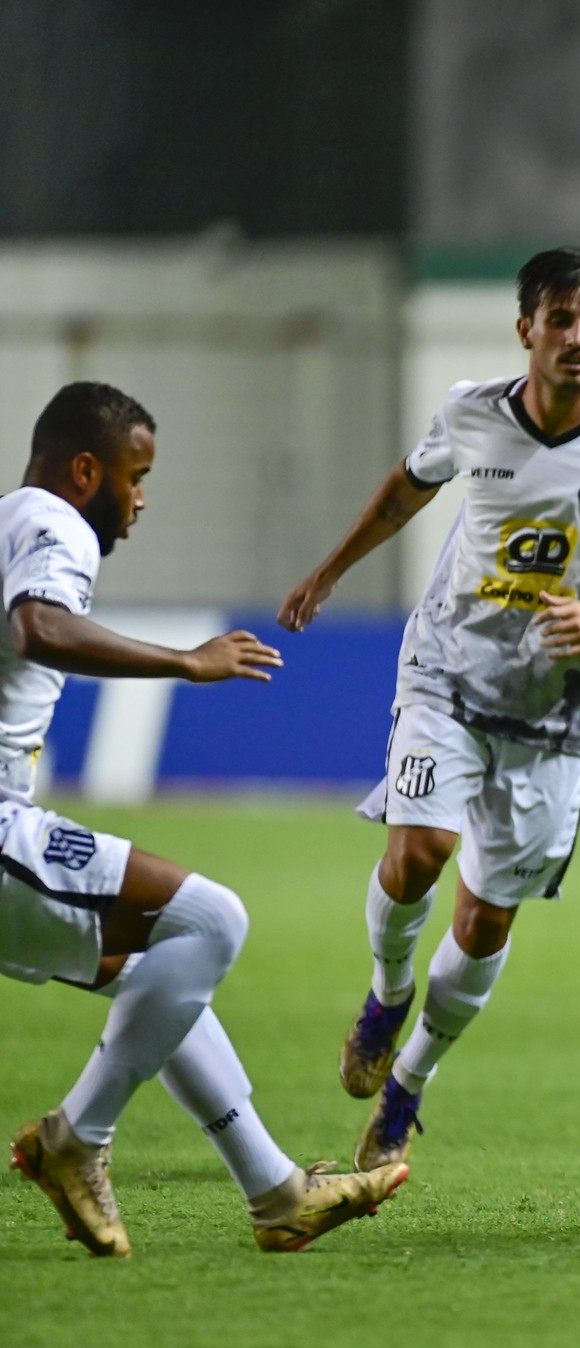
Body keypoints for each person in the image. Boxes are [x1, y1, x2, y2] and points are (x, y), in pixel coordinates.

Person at [279, 249, 580, 1172]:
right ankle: (388, 993)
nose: (578, 339)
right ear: (527, 330)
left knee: (485, 921)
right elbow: (406, 487)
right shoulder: (471, 411)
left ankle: (408, 1085)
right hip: (447, 676)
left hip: (552, 715)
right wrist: (329, 570)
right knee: (419, 848)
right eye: (561, 321)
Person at [5, 382, 407, 1255]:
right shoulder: (57, 525)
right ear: (86, 470)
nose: (141, 500)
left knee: (159, 965)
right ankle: (77, 1138)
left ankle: (277, 1192)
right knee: (210, 919)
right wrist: (185, 661)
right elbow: (38, 627)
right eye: (134, 475)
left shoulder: (10, 518)